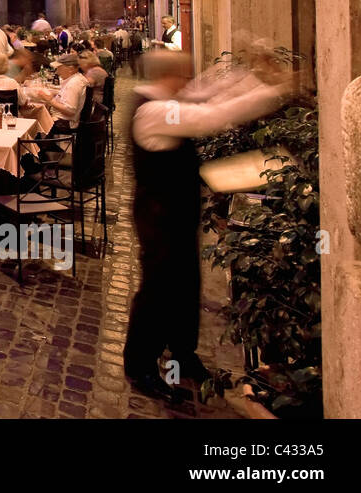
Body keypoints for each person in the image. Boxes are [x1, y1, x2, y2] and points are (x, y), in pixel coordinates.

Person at [124, 50, 293, 399]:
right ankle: (140, 364)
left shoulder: (167, 97)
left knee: (185, 282)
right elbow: (212, 115)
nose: (189, 82)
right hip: (158, 216)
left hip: (178, 210)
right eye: (184, 75)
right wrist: (277, 90)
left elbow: (206, 92)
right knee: (158, 288)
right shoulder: (155, 110)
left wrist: (250, 72)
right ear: (168, 77)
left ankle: (182, 353)